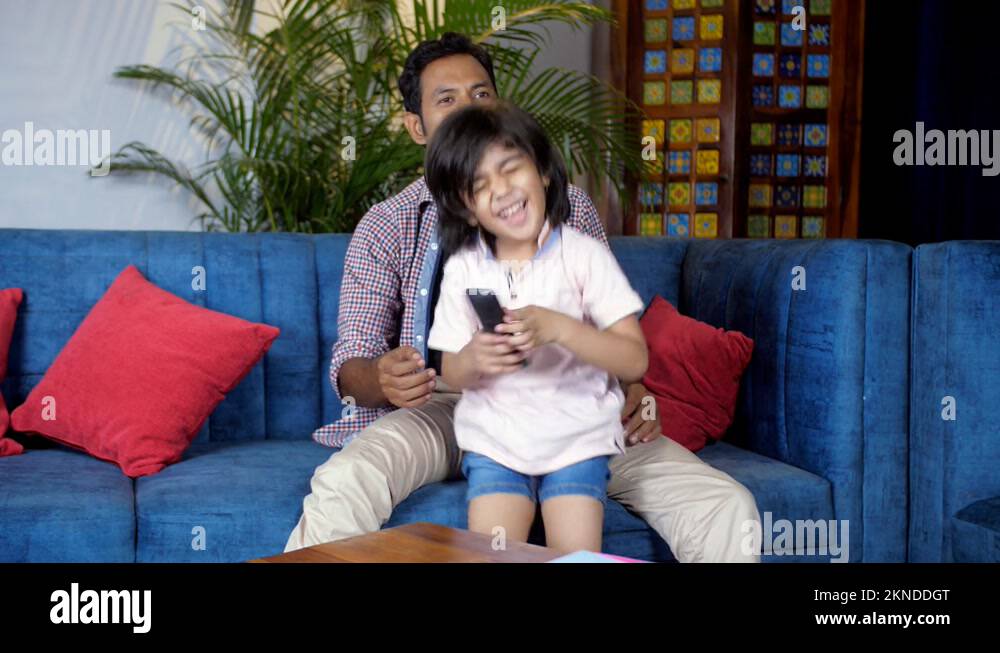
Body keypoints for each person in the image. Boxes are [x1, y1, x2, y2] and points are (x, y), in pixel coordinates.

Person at [285, 32, 761, 562]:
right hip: (439, 407)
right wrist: (382, 378)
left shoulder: (570, 207)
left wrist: (634, 390)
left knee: (724, 504)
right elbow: (350, 368)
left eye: (480, 94)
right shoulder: (387, 225)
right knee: (347, 478)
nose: (468, 110)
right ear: (416, 127)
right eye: (447, 99)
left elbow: (613, 340)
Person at [424, 102, 648, 553]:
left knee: (576, 559)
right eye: (479, 186)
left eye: (510, 169)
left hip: (577, 443)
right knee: (488, 555)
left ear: (543, 171)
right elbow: (450, 370)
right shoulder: (464, 270)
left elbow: (634, 357)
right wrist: (474, 359)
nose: (501, 190)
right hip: (496, 444)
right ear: (467, 211)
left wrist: (564, 329)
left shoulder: (583, 256)